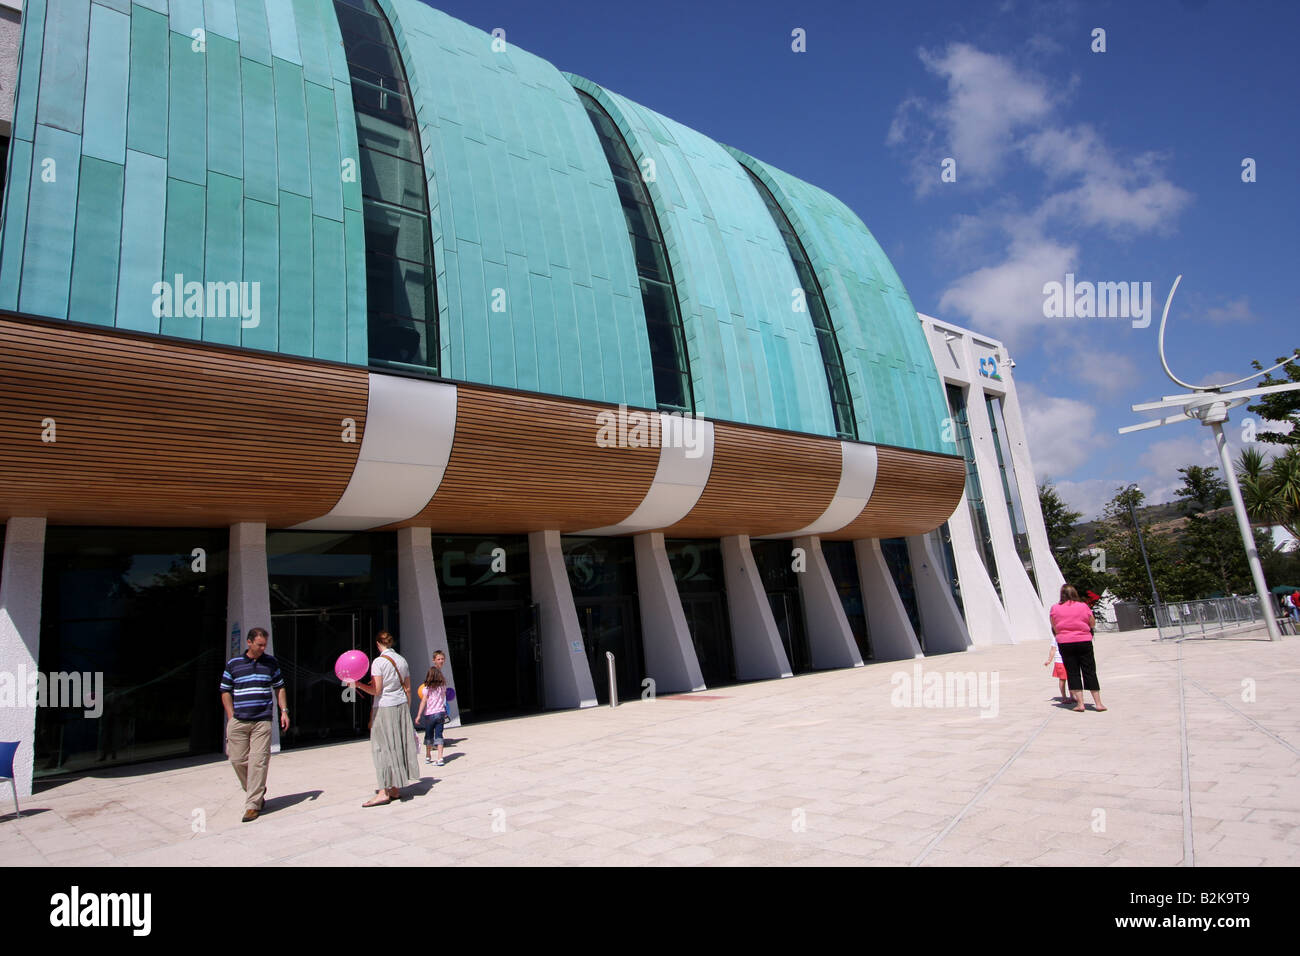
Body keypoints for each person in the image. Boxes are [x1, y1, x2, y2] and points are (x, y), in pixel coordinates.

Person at [219, 628, 288, 822]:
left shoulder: (270, 663)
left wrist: (284, 711)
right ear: (249, 643)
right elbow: (225, 690)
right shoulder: (234, 664)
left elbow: (279, 687)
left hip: (262, 720)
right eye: (259, 644)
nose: (263, 648)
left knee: (258, 761)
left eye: (265, 644)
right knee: (237, 759)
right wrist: (231, 716)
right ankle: (256, 789)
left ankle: (252, 805)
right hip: (239, 720)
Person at [347, 630, 419, 807]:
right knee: (396, 746)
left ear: (378, 644)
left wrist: (357, 684)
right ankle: (395, 788)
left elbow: (377, 691)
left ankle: (383, 791)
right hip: (401, 705)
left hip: (385, 707)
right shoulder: (402, 660)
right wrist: (406, 710)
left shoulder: (378, 662)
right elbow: (408, 688)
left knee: (381, 748)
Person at [1049, 584, 1106, 713]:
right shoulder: (1083, 606)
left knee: (1072, 672)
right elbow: (1092, 623)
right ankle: (1098, 703)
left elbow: (1054, 627)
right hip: (1084, 641)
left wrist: (1063, 634)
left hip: (1065, 643)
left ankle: (1080, 704)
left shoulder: (1055, 608)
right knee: (1090, 671)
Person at [417, 664, 447, 766]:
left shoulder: (426, 688)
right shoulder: (442, 687)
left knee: (429, 736)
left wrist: (418, 715)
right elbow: (443, 698)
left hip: (429, 714)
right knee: (439, 735)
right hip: (440, 713)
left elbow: (423, 702)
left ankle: (428, 755)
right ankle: (440, 757)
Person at [1042, 636, 1068, 700]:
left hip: (1070, 660)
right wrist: (1049, 660)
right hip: (1060, 660)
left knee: (1071, 678)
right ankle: (1064, 697)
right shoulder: (1056, 637)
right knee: (1062, 679)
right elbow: (1053, 649)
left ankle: (1072, 696)